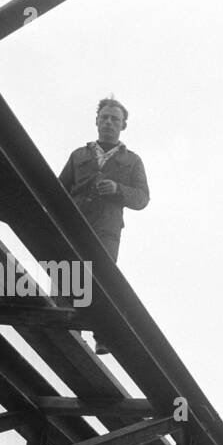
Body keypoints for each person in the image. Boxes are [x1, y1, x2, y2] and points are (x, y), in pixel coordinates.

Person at [58, 97, 150, 354]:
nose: (109, 123)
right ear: (97, 121)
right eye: (105, 118)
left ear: (123, 126)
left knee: (102, 280)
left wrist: (118, 189)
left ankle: (103, 336)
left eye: (115, 120)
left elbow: (142, 198)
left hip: (106, 231)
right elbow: (58, 190)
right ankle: (64, 330)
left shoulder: (132, 161)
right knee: (68, 275)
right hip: (75, 224)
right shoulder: (79, 155)